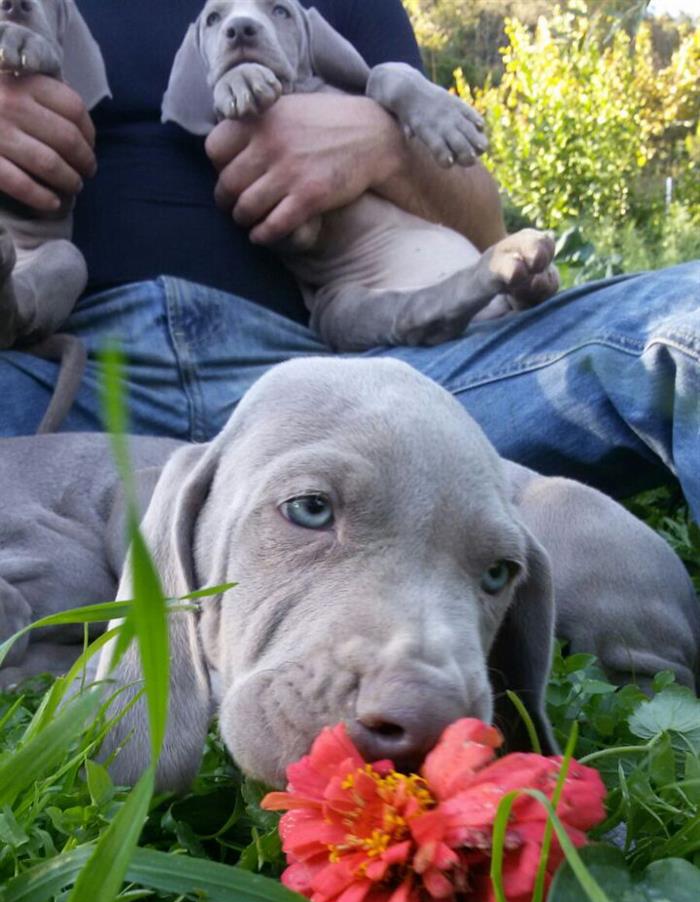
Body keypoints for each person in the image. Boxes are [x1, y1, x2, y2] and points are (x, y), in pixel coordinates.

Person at [0, 0, 698, 519]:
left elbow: (483, 225)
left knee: (683, 322)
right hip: (52, 375)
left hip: (353, 388)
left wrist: (386, 146)